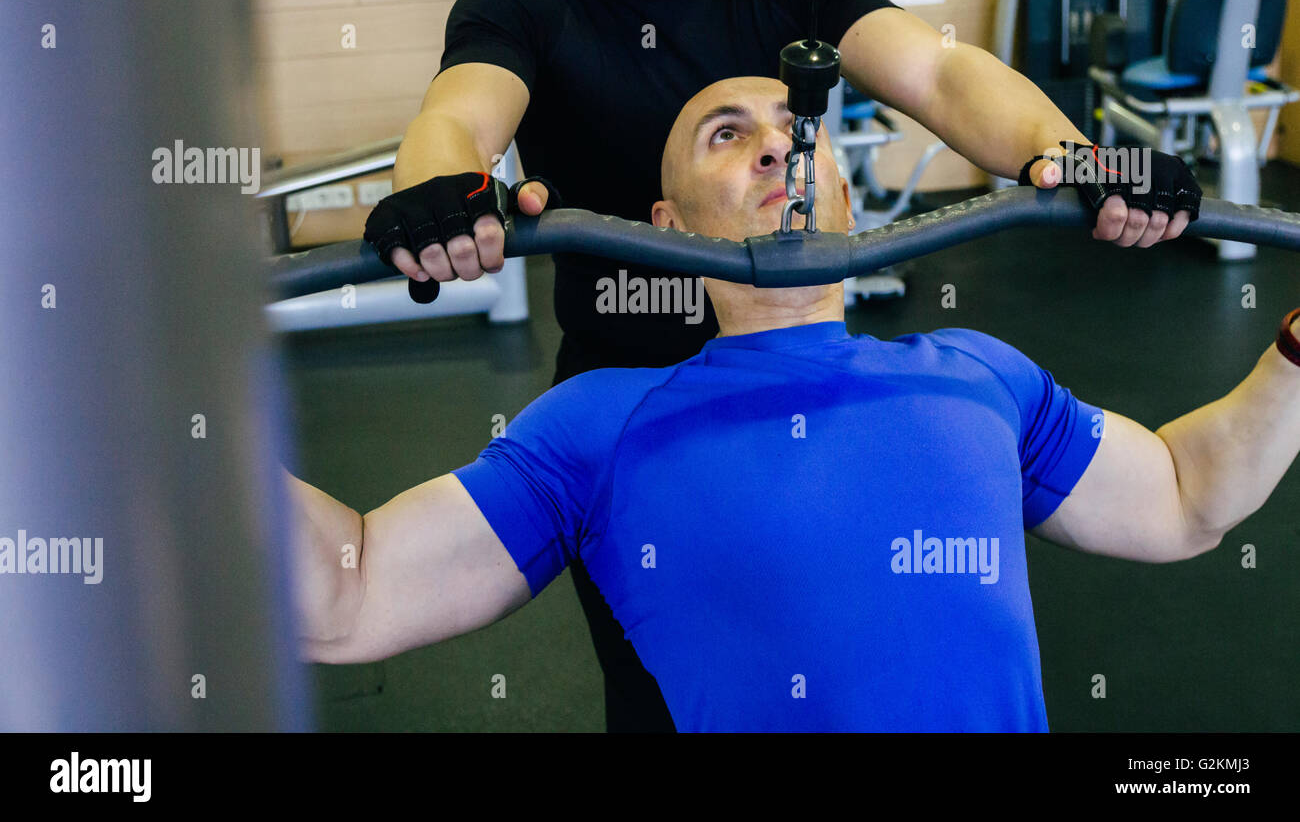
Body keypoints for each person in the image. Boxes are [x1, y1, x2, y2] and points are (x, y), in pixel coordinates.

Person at [361, 0, 1201, 731]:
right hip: (633, 412)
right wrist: (441, 190)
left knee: (847, 650)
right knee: (656, 692)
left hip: (810, 383)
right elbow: (457, 120)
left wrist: (1067, 154)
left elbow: (940, 74)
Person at [301, 76, 1297, 732]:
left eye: (796, 132)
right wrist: (158, 397)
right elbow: (353, 593)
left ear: (846, 194)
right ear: (665, 221)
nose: (776, 150)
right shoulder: (600, 423)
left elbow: (1181, 495)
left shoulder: (976, 371)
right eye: (727, 137)